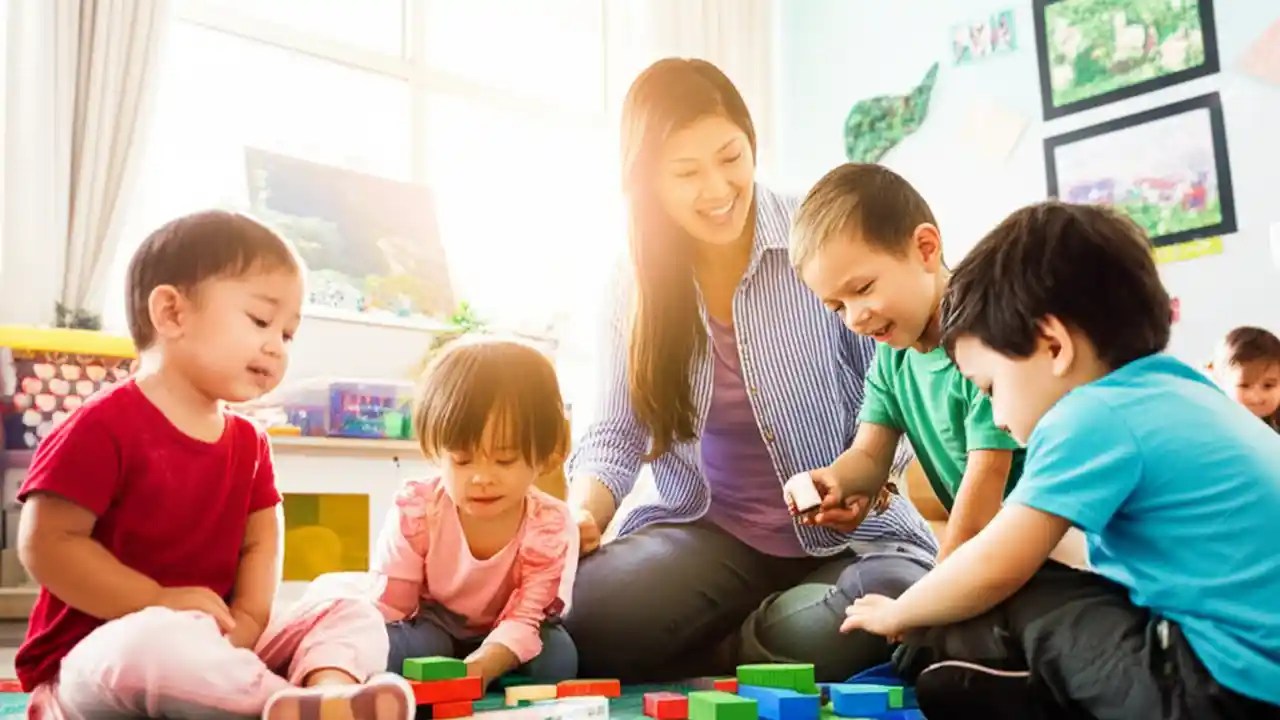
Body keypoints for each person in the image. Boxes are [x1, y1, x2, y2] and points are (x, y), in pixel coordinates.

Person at [562, 58, 938, 683]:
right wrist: (584, 516)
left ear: (751, 143)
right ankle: (767, 640)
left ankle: (726, 645)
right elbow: (614, 435)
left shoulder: (817, 239)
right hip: (709, 537)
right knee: (584, 617)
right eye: (686, 171)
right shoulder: (633, 283)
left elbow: (897, 394)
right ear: (648, 180)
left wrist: (858, 483)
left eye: (731, 157)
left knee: (884, 612)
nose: (717, 188)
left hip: (855, 542)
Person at [841, 202, 1280, 719]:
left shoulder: (1090, 415)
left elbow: (994, 566)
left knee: (1021, 594)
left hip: (1222, 689)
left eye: (991, 388)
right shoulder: (1184, 388)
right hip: (1249, 672)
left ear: (1053, 345)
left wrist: (901, 610)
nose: (998, 417)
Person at [19, 211, 413, 718]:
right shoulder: (101, 425)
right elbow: (48, 543)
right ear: (172, 313)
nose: (276, 345)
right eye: (260, 321)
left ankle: (325, 690)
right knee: (159, 641)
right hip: (101, 656)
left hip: (220, 642)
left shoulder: (250, 443)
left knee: (348, 607)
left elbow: (261, 540)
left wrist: (249, 618)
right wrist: (155, 599)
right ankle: (275, 704)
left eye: (288, 334)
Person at [787, 163, 1024, 563]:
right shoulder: (892, 358)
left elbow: (986, 481)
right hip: (986, 552)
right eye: (836, 307)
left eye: (862, 289)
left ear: (925, 249)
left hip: (1044, 541)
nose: (854, 317)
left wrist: (943, 576)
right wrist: (837, 481)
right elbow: (869, 455)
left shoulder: (986, 342)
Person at [374, 337, 579, 689]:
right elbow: (392, 609)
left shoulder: (550, 526)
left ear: (546, 453)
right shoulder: (418, 511)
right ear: (434, 451)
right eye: (462, 460)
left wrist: (481, 667)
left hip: (512, 629)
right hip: (433, 625)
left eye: (505, 458)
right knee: (391, 646)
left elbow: (527, 616)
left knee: (557, 657)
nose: (482, 478)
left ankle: (485, 672)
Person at [1209, 326, 1280, 432]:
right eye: (1244, 385)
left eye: (1268, 386)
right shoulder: (1215, 421)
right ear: (1221, 382)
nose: (1256, 397)